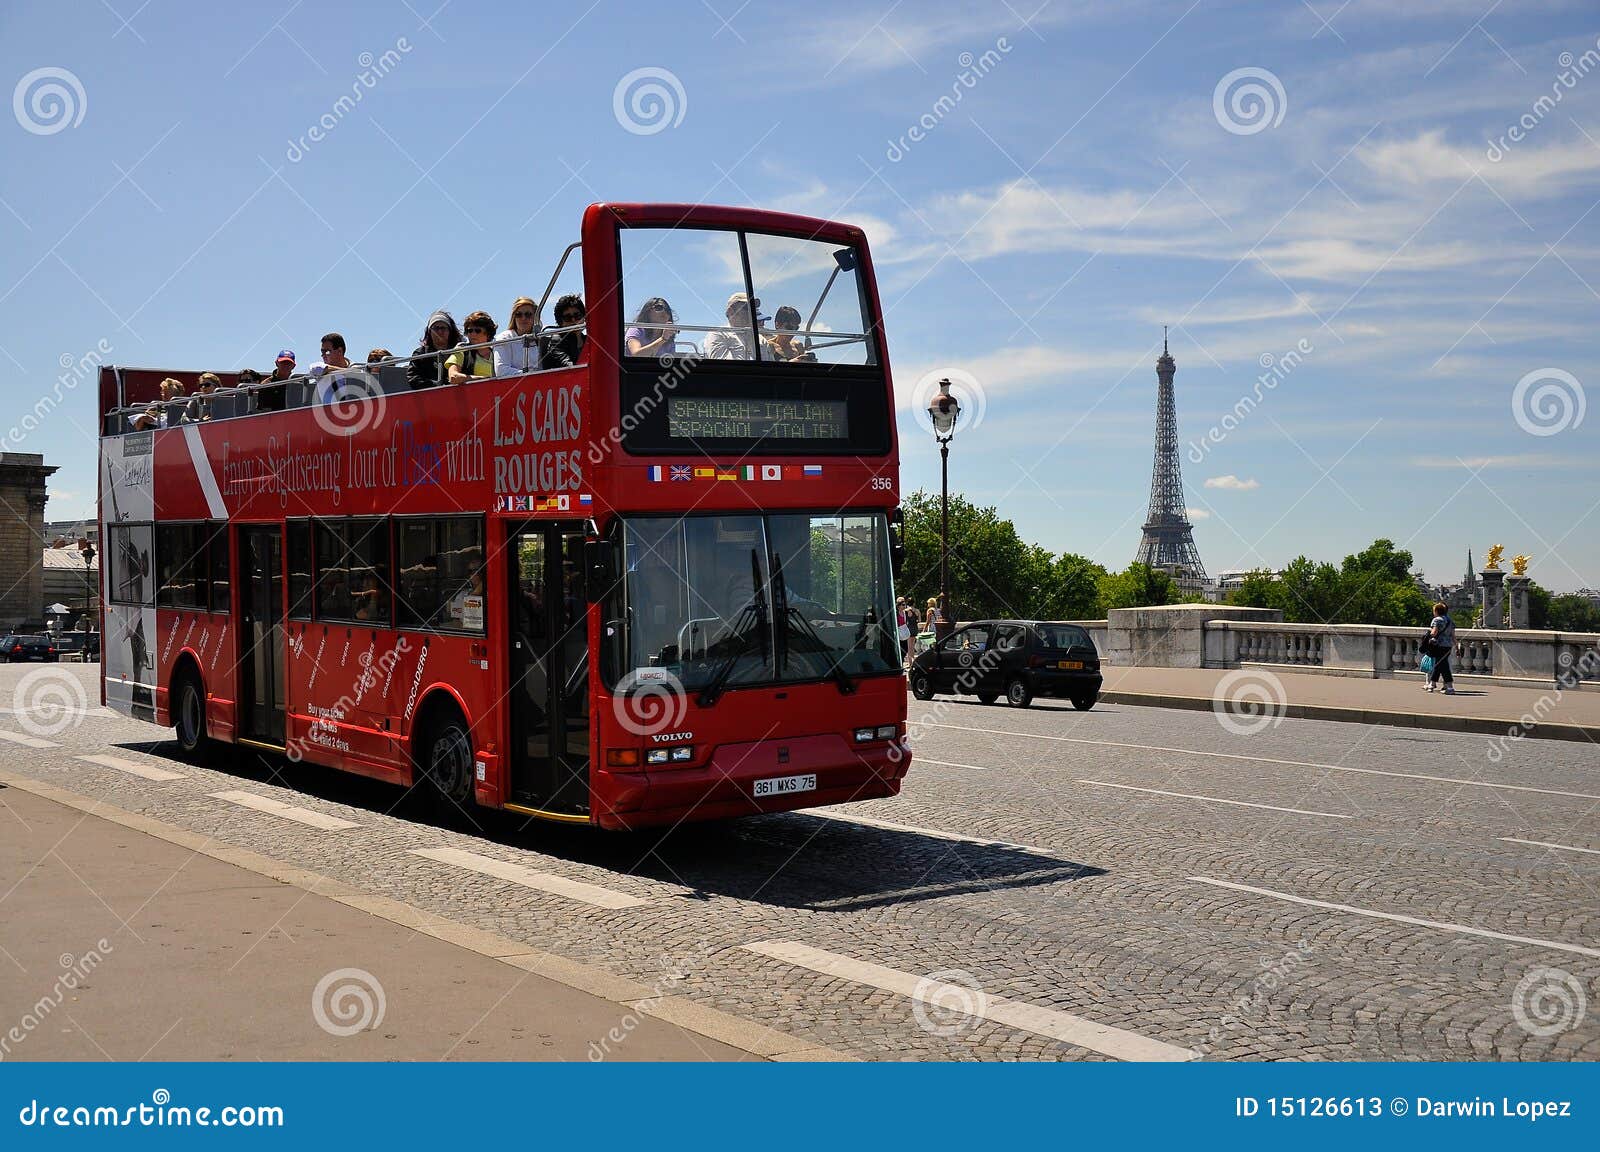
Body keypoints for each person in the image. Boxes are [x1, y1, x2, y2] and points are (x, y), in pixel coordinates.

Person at [407, 311, 462, 390]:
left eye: (443, 328)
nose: (439, 331)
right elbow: (413, 378)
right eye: (436, 328)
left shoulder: (460, 351)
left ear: (450, 331)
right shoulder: (420, 353)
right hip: (429, 395)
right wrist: (436, 386)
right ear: (429, 331)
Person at [493, 297, 543, 377]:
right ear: (514, 318)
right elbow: (501, 370)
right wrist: (530, 375)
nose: (523, 318)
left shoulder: (542, 339)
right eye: (519, 314)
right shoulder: (504, 338)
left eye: (528, 314)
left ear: (535, 318)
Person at [705, 293, 761, 360]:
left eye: (754, 309)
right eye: (747, 308)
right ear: (731, 311)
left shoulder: (760, 339)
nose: (752, 312)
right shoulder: (718, 334)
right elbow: (722, 365)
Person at [446, 312, 497, 384]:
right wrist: (483, 379)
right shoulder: (462, 350)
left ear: (488, 334)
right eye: (469, 331)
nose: (473, 333)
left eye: (477, 331)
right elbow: (453, 377)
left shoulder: (496, 353)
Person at [308, 332, 356, 405]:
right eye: (322, 352)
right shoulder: (319, 366)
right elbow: (315, 369)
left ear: (339, 351)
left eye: (327, 352)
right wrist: (346, 371)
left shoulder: (356, 367)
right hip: (328, 410)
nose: (323, 355)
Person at [1424, 601, 1457, 695]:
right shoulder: (1450, 621)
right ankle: (1432, 683)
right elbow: (1453, 636)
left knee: (1443, 666)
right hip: (1448, 646)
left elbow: (1434, 633)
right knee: (1439, 664)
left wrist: (1429, 634)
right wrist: (1457, 648)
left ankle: (1450, 687)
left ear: (1436, 611)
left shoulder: (1436, 620)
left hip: (1438, 645)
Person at [544, 294, 586, 366]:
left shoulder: (587, 339)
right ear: (560, 322)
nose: (573, 320)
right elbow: (568, 365)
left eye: (577, 316)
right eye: (567, 318)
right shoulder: (557, 340)